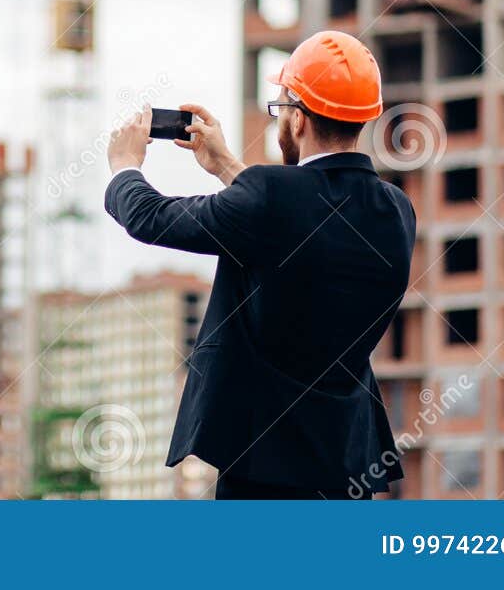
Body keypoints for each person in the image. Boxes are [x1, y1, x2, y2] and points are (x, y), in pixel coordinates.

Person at [103, 29, 416, 499]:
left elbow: (150, 218)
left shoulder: (269, 198)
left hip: (262, 463)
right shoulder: (396, 210)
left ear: (299, 118)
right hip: (345, 464)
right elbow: (304, 222)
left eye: (281, 108)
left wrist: (125, 165)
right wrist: (226, 165)